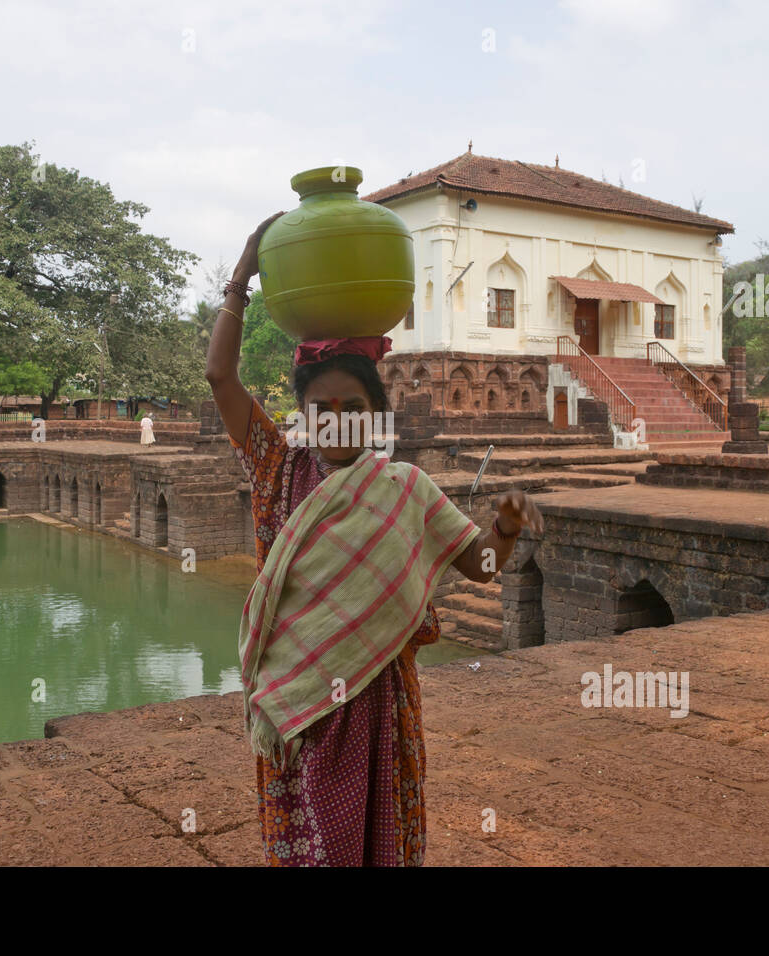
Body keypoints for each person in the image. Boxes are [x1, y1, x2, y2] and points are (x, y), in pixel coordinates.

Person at [205, 212, 544, 866]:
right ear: (301, 418)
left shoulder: (406, 490)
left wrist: (503, 528)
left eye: (351, 410)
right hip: (302, 702)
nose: (335, 423)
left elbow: (478, 567)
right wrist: (242, 277)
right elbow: (221, 379)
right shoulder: (281, 470)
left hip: (381, 698)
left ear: (376, 417)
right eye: (320, 412)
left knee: (377, 841)